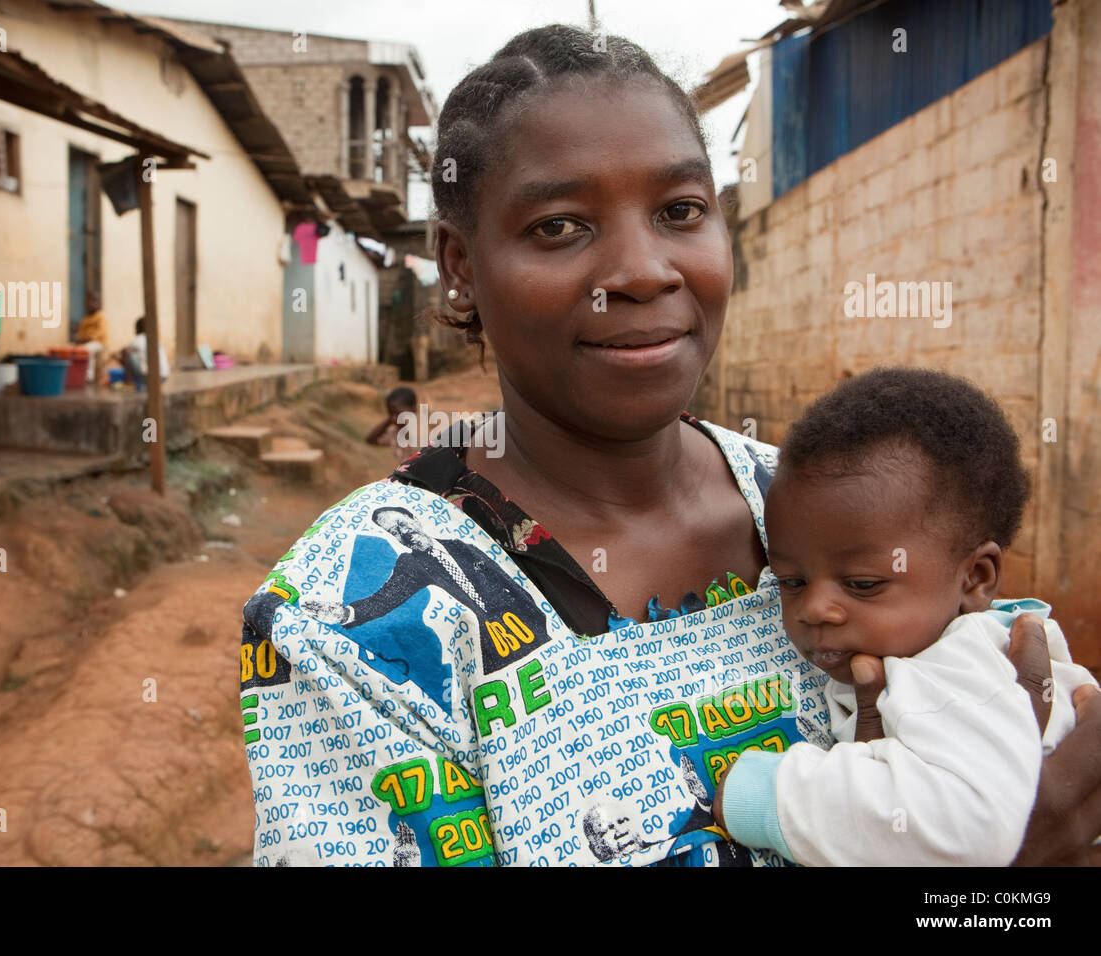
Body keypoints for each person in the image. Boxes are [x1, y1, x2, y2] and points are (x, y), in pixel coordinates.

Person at [238, 24, 1101, 867]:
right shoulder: (347, 624)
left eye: (681, 210)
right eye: (560, 226)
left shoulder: (836, 514)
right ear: (460, 264)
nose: (644, 270)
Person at [712, 368, 1100, 866]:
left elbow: (970, 825)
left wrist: (763, 795)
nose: (814, 609)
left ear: (975, 578)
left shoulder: (957, 666)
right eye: (792, 582)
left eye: (863, 585)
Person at [364, 387, 420, 464]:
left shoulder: (426, 433)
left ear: (413, 409)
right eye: (391, 414)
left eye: (398, 413)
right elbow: (371, 440)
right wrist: (388, 421)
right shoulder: (394, 435)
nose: (394, 418)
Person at [121, 316, 169, 387]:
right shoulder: (157, 340)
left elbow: (124, 351)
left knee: (128, 354)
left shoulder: (138, 339)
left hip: (147, 377)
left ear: (137, 328)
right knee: (136, 355)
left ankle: (129, 383)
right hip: (164, 376)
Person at [75, 291, 110, 385]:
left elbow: (99, 333)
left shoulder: (100, 317)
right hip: (86, 342)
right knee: (73, 350)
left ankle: (88, 377)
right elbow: (80, 335)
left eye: (95, 301)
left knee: (87, 349)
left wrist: (86, 339)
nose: (92, 304)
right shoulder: (85, 319)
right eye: (90, 301)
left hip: (99, 343)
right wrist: (79, 340)